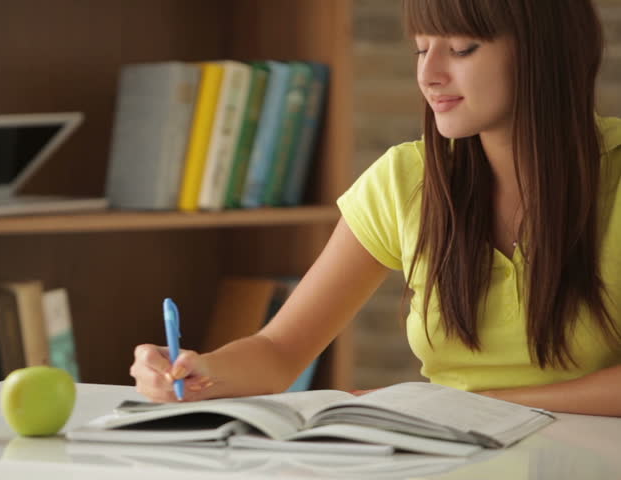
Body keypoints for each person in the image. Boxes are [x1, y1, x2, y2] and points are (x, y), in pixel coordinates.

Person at [129, 0, 621, 417]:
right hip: (455, 454)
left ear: (544, 51)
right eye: (421, 49)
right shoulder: (405, 180)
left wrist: (468, 406)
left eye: (461, 48)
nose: (429, 75)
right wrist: (201, 372)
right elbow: (279, 352)